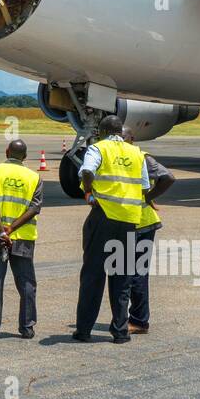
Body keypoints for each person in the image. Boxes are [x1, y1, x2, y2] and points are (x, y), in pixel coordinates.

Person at [74, 115, 150, 345]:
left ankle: (85, 330)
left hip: (103, 216)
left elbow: (87, 171)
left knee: (93, 275)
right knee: (122, 277)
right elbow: (145, 186)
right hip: (128, 220)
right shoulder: (136, 153)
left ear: (102, 131)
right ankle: (120, 331)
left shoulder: (98, 148)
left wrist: (88, 192)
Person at [0, 138, 43, 340]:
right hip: (23, 237)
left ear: (7, 152)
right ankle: (27, 327)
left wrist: (2, 232)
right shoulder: (35, 177)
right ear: (24, 157)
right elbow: (35, 208)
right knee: (26, 284)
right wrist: (13, 228)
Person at [125, 128, 176, 336]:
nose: (120, 141)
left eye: (124, 137)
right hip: (135, 222)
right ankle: (136, 318)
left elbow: (168, 177)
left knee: (135, 272)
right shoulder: (121, 158)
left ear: (132, 139)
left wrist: (148, 197)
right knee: (131, 271)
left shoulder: (141, 157)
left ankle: (138, 321)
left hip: (141, 223)